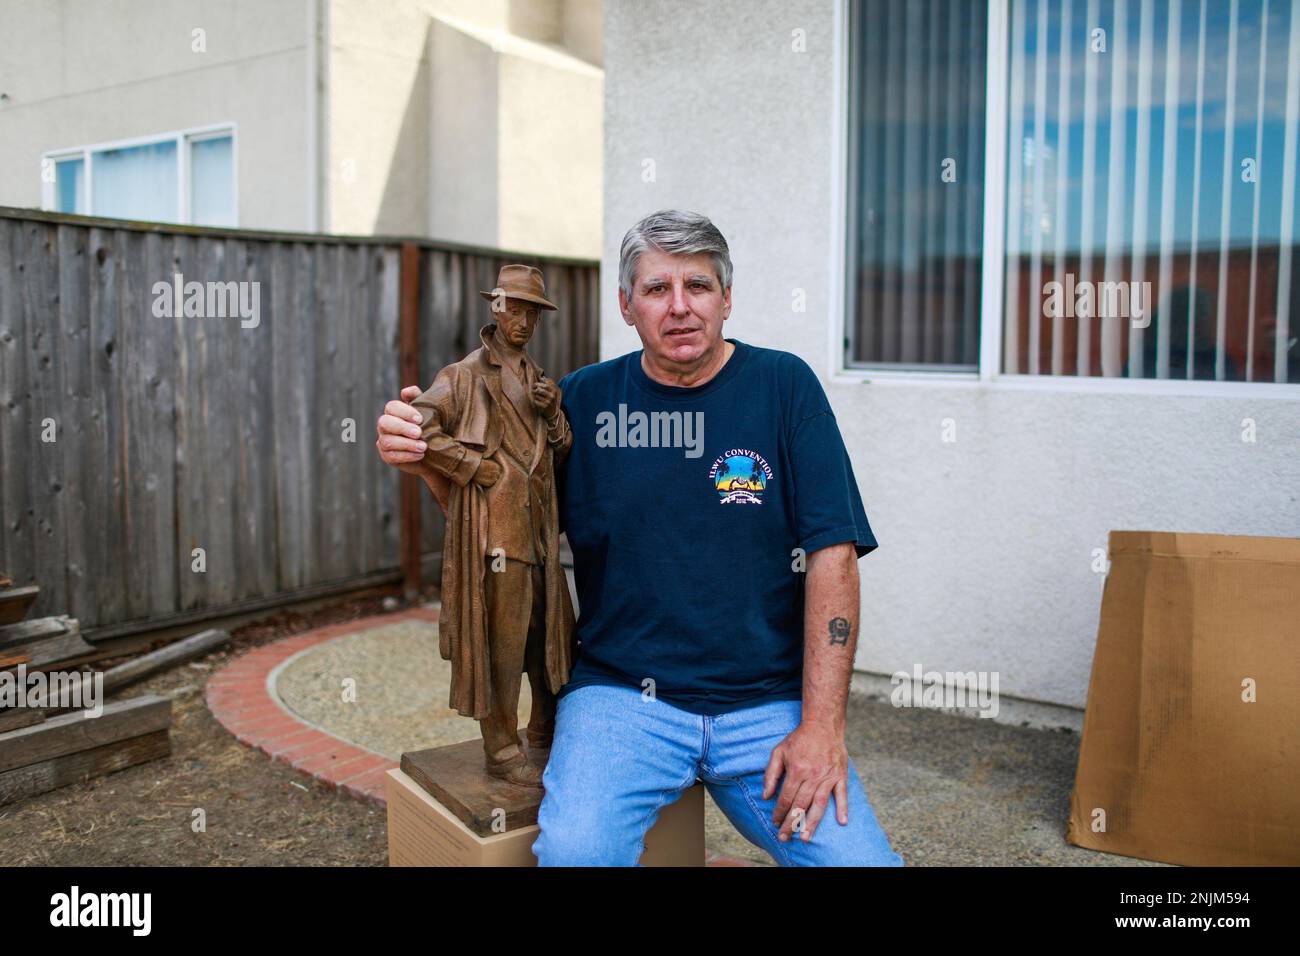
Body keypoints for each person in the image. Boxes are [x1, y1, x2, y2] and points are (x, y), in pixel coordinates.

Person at [376, 210, 903, 866]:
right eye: (657, 289)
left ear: (728, 297)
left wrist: (823, 727)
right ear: (626, 305)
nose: (679, 307)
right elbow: (500, 512)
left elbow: (834, 556)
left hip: (766, 707)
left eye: (699, 286)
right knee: (575, 853)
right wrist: (422, 451)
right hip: (622, 701)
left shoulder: (784, 387)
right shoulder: (584, 402)